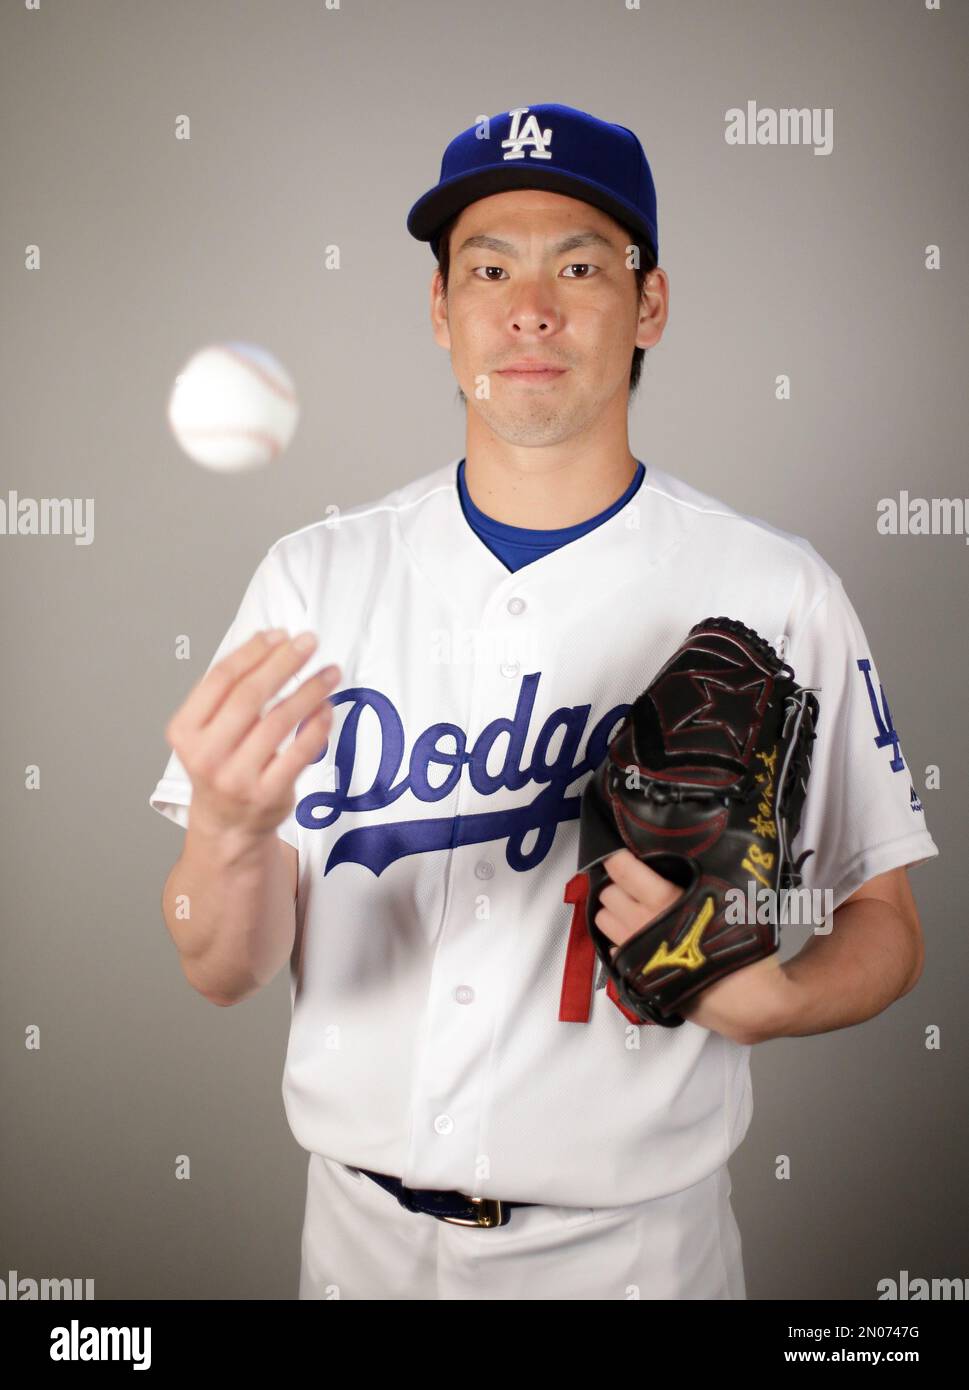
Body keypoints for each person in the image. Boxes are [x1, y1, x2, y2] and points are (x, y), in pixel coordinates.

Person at [149, 103, 939, 1300]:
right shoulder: (314, 579)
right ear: (440, 311)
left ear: (650, 306)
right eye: (487, 268)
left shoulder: (776, 589)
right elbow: (221, 967)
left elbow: (885, 921)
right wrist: (228, 832)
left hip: (637, 1260)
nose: (531, 306)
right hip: (356, 1250)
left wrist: (777, 999)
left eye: (579, 264)